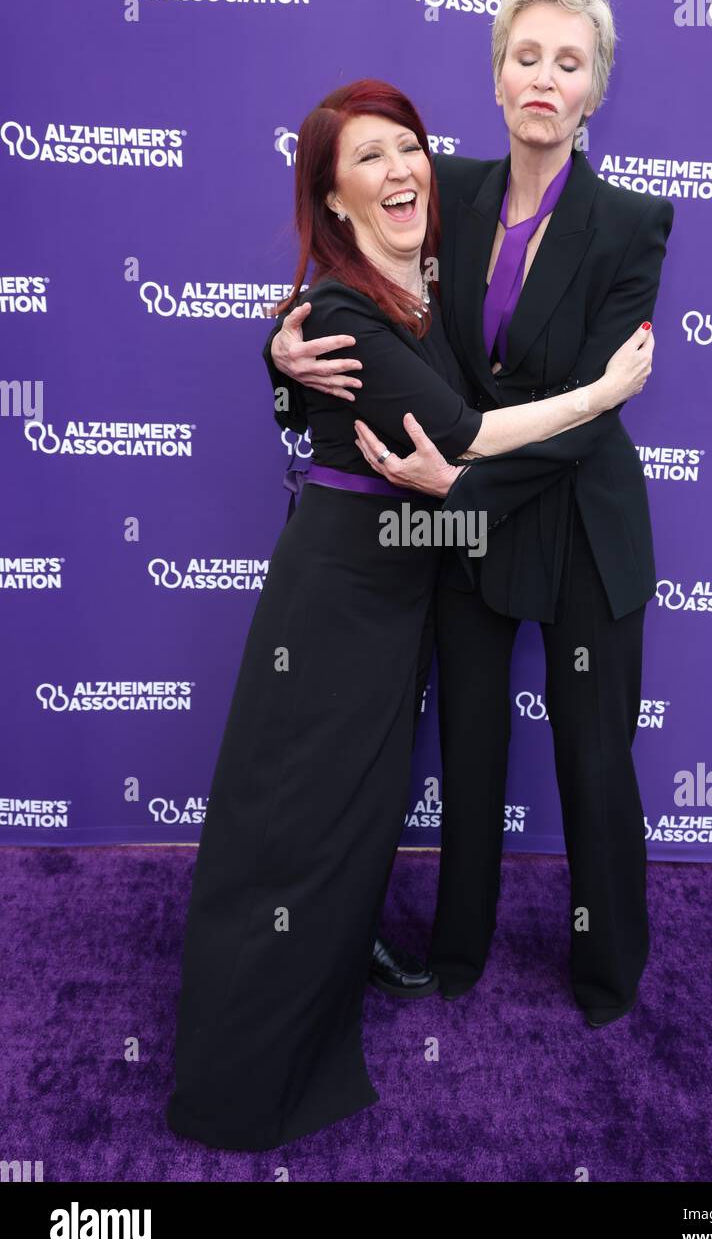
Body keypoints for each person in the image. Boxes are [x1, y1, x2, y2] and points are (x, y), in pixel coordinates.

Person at [165, 78, 652, 1152]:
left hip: (407, 572)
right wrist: (601, 396)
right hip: (345, 587)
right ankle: (252, 1050)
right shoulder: (343, 301)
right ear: (331, 199)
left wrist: (278, 360)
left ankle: (330, 967)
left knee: (356, 810)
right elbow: (462, 431)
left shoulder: (424, 269)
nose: (399, 172)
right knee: (297, 811)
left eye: (408, 149)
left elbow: (409, 428)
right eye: (369, 160)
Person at [265, 0, 675, 1028]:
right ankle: (458, 949)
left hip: (577, 514)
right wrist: (281, 350)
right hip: (458, 513)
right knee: (472, 744)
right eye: (525, 56)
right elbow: (347, 279)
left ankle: (606, 975)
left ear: (594, 89)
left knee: (594, 759)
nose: (544, 77)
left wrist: (463, 485)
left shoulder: (635, 223)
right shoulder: (442, 186)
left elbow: (595, 411)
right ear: (497, 78)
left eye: (569, 62)